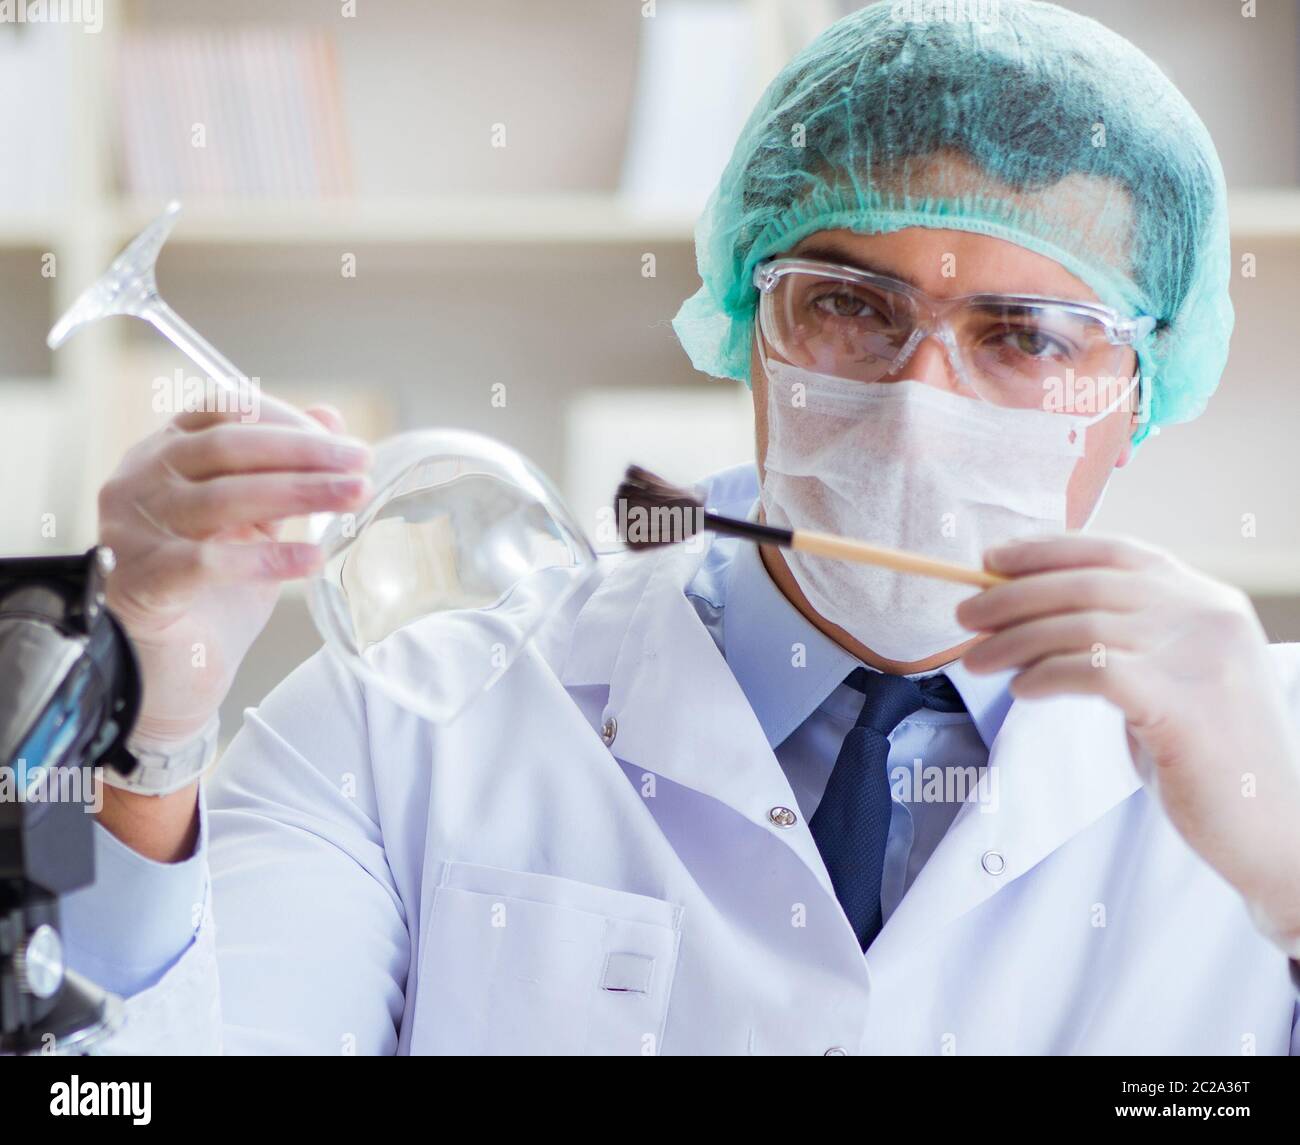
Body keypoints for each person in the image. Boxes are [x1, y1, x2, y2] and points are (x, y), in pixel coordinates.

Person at [66, 0, 1300, 1054]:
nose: (919, 406)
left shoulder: (1277, 758)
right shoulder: (397, 729)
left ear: (1139, 396)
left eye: (1022, 334)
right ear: (744, 327)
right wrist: (149, 733)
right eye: (846, 307)